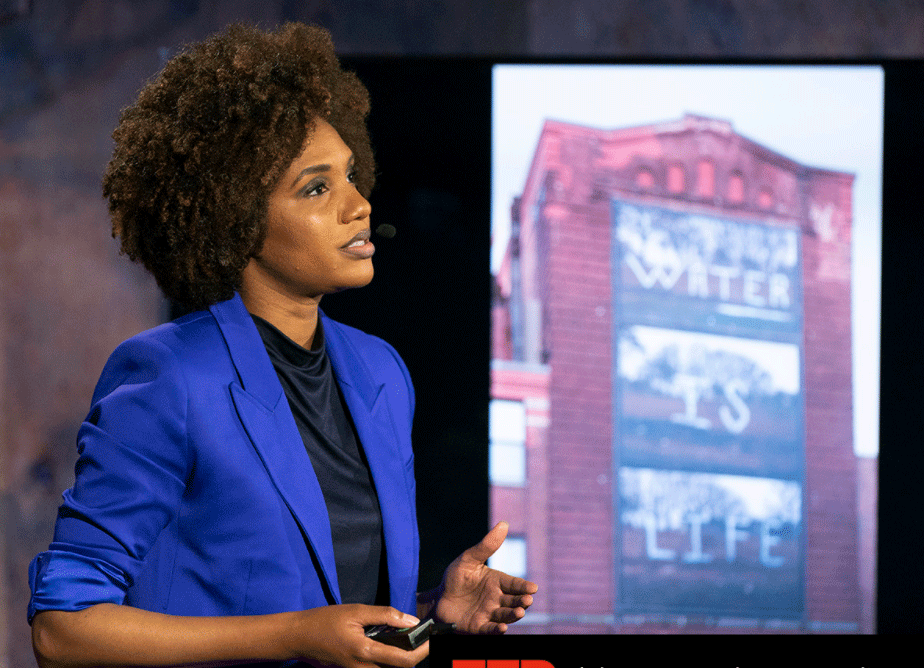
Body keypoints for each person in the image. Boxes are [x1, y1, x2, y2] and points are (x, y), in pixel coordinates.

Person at [28, 23, 536, 668]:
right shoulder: (169, 376)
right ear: (234, 219)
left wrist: (434, 609)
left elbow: (330, 603)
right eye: (316, 188)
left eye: (351, 175)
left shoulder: (381, 372)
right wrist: (297, 634)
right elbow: (63, 631)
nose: (358, 205)